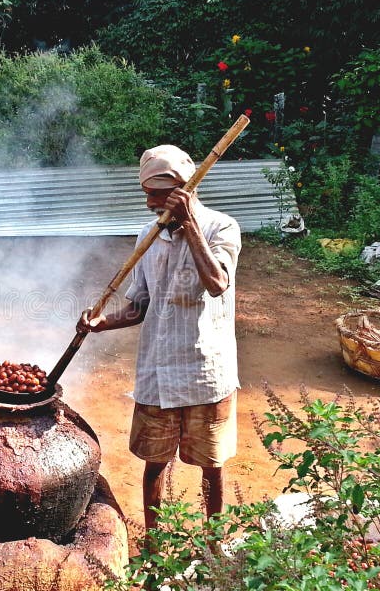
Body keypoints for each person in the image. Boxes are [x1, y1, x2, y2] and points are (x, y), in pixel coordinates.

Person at [77, 145, 241, 530]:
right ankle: (155, 546)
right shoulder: (147, 237)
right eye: (146, 193)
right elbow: (140, 305)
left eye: (158, 194)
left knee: (211, 468)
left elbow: (217, 283)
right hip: (158, 372)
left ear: (185, 190)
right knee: (155, 465)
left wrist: (189, 226)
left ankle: (214, 544)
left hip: (206, 373)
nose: (150, 203)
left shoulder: (221, 228)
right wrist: (101, 323)